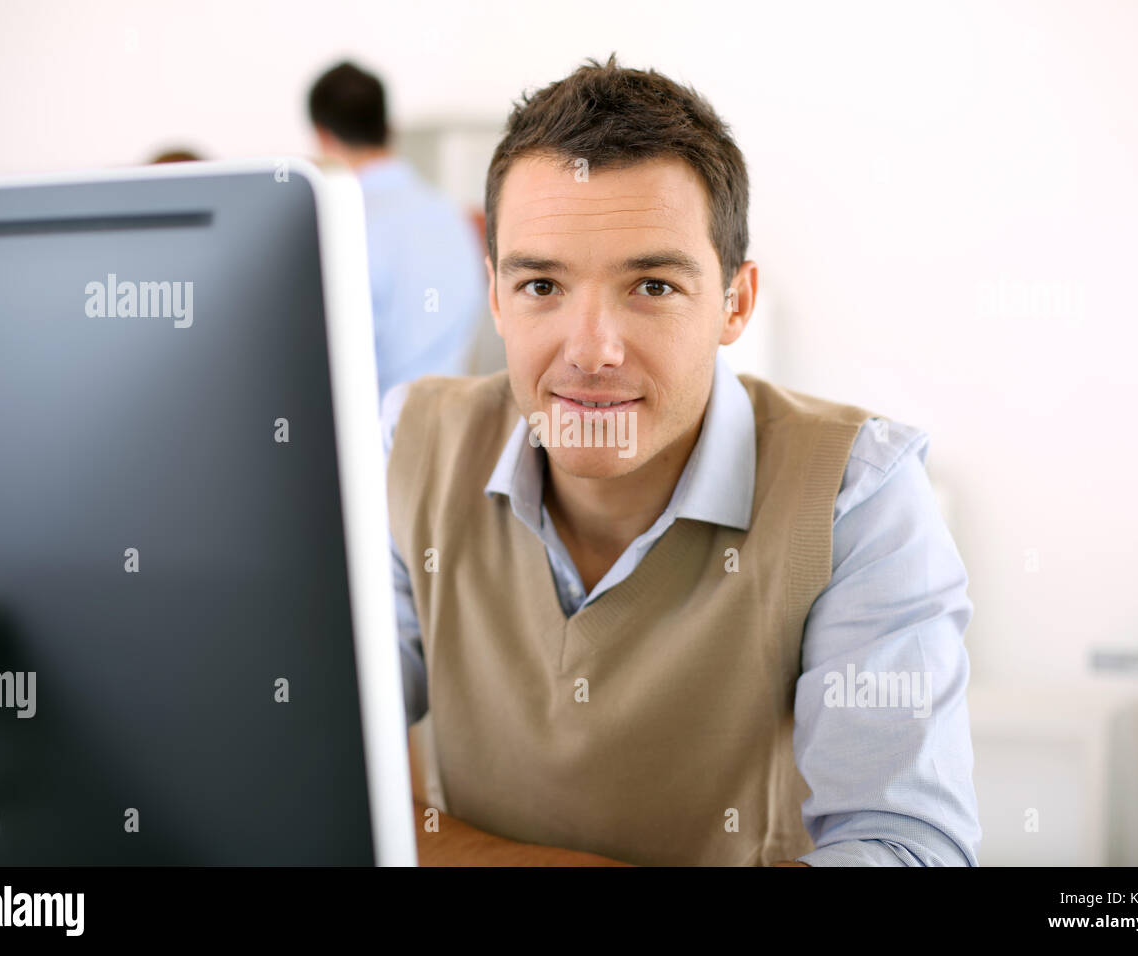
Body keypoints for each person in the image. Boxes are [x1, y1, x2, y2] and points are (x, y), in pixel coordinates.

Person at [383, 54, 982, 866]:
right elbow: (310, 764)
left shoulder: (857, 493)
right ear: (495, 295)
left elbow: (911, 852)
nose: (590, 351)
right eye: (541, 287)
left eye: (653, 287)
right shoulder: (409, 446)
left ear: (735, 301)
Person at [309, 62, 486, 401]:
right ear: (388, 127)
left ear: (322, 135)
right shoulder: (452, 215)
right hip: (451, 438)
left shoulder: (339, 223)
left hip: (373, 442)